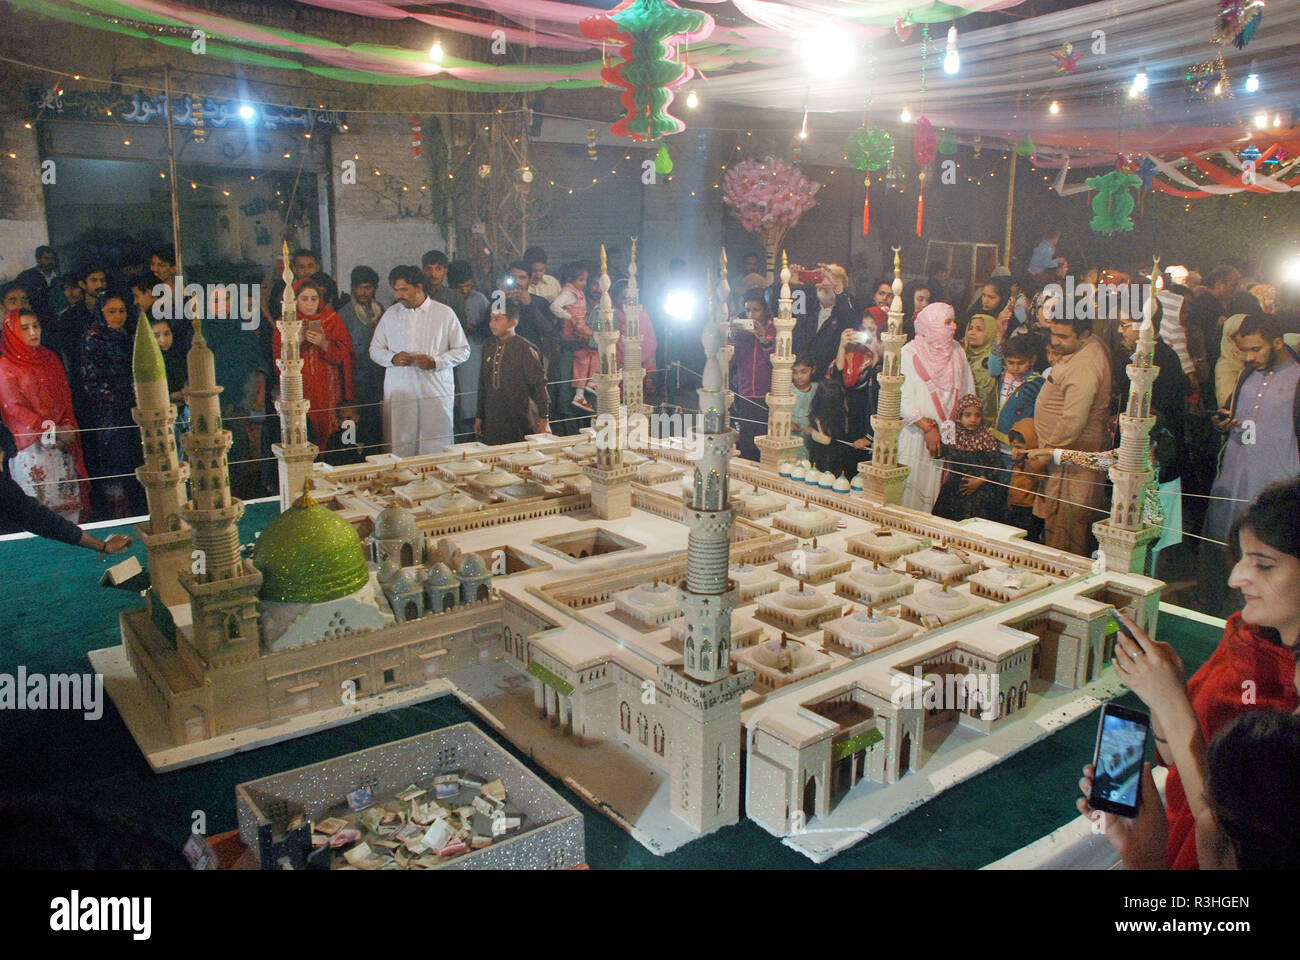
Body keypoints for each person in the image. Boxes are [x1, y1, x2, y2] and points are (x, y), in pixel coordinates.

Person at [1079, 479, 1300, 869]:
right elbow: (1176, 759)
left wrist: (1171, 701)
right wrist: (1167, 700)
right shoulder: (1247, 639)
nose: (1236, 579)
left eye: (1263, 565)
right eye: (1243, 558)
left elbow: (1232, 832)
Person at [1201, 315, 1300, 614]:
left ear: (1278, 342)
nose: (1249, 357)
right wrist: (1222, 423)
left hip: (1275, 490)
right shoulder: (1247, 374)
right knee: (1220, 548)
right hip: (1233, 482)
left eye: (1256, 349)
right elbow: (1238, 417)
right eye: (1245, 350)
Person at [1033, 311, 1112, 556]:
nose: (1055, 341)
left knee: (1067, 531)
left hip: (1072, 462)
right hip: (1065, 457)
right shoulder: (1085, 348)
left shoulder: (1085, 365)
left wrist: (1047, 452)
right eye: (1053, 333)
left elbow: (1073, 421)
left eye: (1063, 336)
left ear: (1085, 334)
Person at [369, 265, 469, 457]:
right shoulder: (391, 314)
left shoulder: (444, 313)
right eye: (396, 290)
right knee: (400, 443)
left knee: (435, 445)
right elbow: (374, 350)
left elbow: (463, 350)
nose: (399, 295)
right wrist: (393, 358)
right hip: (400, 391)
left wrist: (436, 362)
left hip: (434, 390)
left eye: (404, 289)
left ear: (419, 287)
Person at [0, 309, 89, 522]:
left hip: (62, 445)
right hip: (30, 448)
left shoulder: (50, 359)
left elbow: (65, 397)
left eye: (36, 326)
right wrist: (53, 430)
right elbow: (13, 408)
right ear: (11, 332)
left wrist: (67, 426)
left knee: (69, 510)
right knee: (40, 515)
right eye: (24, 328)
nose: (33, 332)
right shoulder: (6, 366)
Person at [899, 303, 976, 513]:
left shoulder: (958, 351)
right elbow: (899, 397)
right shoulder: (909, 352)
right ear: (931, 324)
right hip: (917, 436)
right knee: (912, 492)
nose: (954, 326)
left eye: (954, 321)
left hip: (948, 439)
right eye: (947, 322)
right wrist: (927, 427)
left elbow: (968, 392)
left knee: (939, 497)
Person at [80, 293, 145, 518]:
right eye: (111, 311)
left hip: (132, 407)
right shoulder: (94, 337)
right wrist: (115, 402)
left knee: (137, 459)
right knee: (118, 461)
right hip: (110, 412)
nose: (118, 316)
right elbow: (92, 380)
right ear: (101, 312)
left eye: (122, 311)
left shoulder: (126, 335)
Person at [274, 280, 355, 455]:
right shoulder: (284, 323)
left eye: (314, 298)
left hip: (328, 388)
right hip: (300, 388)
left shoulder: (331, 319)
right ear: (295, 301)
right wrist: (298, 340)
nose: (310, 303)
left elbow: (344, 356)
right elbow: (277, 357)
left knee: (330, 427)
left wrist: (323, 342)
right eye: (304, 299)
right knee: (302, 428)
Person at [475, 300, 550, 445]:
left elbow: (539, 386)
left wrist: (544, 420)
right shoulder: (488, 345)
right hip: (493, 418)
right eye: (491, 319)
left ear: (512, 322)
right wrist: (480, 416)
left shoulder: (525, 349)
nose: (492, 323)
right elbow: (483, 383)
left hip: (520, 418)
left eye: (498, 319)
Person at [336, 265, 386, 453]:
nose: (363, 292)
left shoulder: (381, 310)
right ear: (352, 288)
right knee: (353, 423)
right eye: (359, 287)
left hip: (377, 377)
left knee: (376, 423)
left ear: (374, 289)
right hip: (354, 379)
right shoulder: (344, 314)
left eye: (368, 287)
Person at [932, 393, 1005, 523]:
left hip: (982, 491)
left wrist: (981, 480)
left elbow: (997, 466)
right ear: (959, 415)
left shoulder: (987, 437)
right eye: (967, 415)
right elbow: (939, 453)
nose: (973, 419)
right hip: (954, 491)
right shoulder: (953, 435)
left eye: (977, 415)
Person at [731, 291, 775, 461]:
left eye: (756, 310)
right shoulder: (742, 332)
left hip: (768, 394)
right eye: (748, 310)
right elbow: (732, 360)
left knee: (765, 439)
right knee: (747, 440)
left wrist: (764, 338)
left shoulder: (775, 329)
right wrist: (731, 336)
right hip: (746, 392)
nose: (751, 314)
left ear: (765, 310)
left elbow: (776, 361)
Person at [448, 259, 490, 438]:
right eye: (460, 287)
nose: (465, 291)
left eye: (468, 286)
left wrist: (476, 328)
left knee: (472, 400)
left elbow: (491, 326)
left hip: (474, 356)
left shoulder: (479, 299)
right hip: (450, 356)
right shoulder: (444, 301)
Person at [792, 265, 855, 381]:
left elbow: (851, 321)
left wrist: (839, 290)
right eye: (821, 278)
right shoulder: (806, 307)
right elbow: (772, 303)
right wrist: (788, 283)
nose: (824, 283)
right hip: (800, 377)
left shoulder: (846, 313)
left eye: (829, 278)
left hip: (828, 380)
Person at [551, 262, 596, 413]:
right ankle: (584, 389)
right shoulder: (569, 293)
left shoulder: (577, 292)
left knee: (589, 356)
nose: (584, 283)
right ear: (572, 278)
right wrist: (569, 317)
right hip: (574, 330)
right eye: (581, 280)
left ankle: (584, 389)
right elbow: (554, 306)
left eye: (585, 280)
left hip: (580, 327)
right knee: (590, 353)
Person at [612, 277, 658, 398]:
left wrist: (648, 377)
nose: (628, 302)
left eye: (631, 298)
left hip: (640, 370)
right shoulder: (610, 315)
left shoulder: (642, 314)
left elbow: (650, 342)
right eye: (624, 298)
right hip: (616, 371)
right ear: (615, 298)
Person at [269, 248, 338, 323]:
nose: (306, 271)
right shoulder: (283, 287)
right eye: (301, 267)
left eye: (310, 266)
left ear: (317, 268)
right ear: (294, 269)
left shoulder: (326, 283)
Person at [1005, 419, 1047, 540]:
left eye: (1019, 447)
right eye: (1013, 446)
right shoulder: (1019, 461)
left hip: (1028, 509)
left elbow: (1041, 477)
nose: (1015, 450)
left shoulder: (1035, 462)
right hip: (1014, 504)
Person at [962, 313, 998, 426]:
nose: (972, 333)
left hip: (986, 422)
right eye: (970, 328)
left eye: (979, 329)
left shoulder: (994, 359)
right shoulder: (962, 355)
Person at [421, 249, 467, 324]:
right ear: (423, 270)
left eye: (438, 269)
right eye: (428, 269)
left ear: (445, 271)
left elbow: (461, 329)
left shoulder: (455, 298)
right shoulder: (415, 295)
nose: (433, 274)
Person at [15, 246, 59, 321]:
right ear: (38, 259)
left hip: (55, 319)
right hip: (35, 319)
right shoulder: (27, 276)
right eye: (47, 259)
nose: (51, 262)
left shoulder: (58, 278)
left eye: (52, 259)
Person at [790, 356, 817, 462]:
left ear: (813, 370)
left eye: (804, 372)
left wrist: (813, 429)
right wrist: (788, 423)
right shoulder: (785, 389)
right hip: (790, 440)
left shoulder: (818, 389)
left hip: (811, 442)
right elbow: (774, 414)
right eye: (795, 372)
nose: (799, 376)